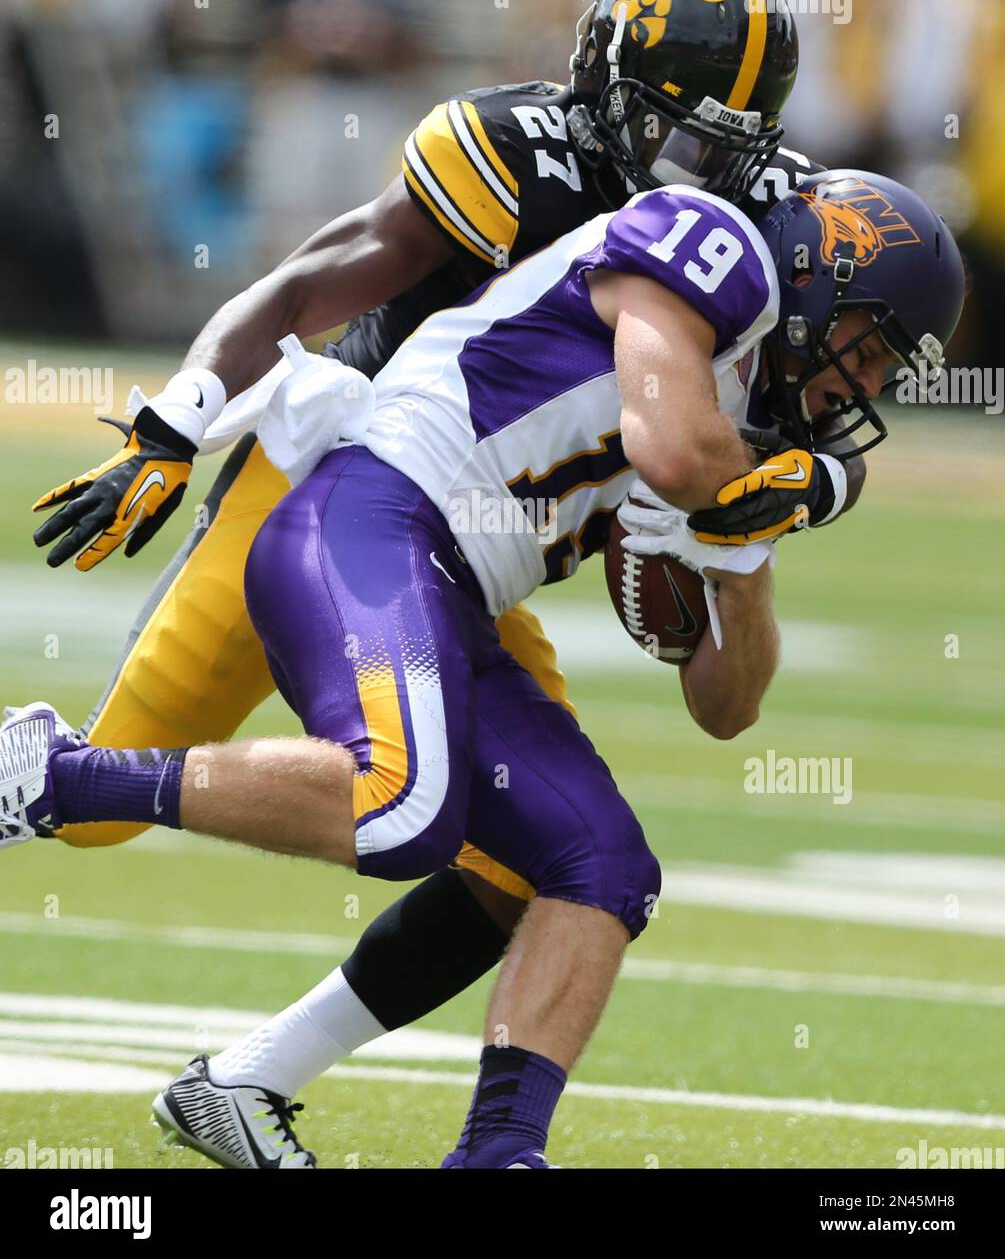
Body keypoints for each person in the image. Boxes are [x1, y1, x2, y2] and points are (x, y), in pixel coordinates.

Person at [16, 0, 831, 1143]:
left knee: (540, 855)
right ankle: (40, 769)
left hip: (471, 557)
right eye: (667, 125)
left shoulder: (733, 227)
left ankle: (242, 1079)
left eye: (720, 139)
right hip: (336, 488)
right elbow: (312, 280)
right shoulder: (520, 152)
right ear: (603, 79)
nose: (686, 162)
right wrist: (171, 422)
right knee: (101, 811)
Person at [2, 169, 965, 1167]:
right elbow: (672, 451)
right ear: (821, 270)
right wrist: (794, 490)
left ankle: (466, 1141)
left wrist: (748, 555)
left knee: (602, 863)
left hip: (455, 593)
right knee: (405, 805)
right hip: (370, 513)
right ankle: (55, 773)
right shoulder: (713, 248)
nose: (863, 387)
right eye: (868, 349)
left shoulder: (751, 440)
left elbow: (728, 704)